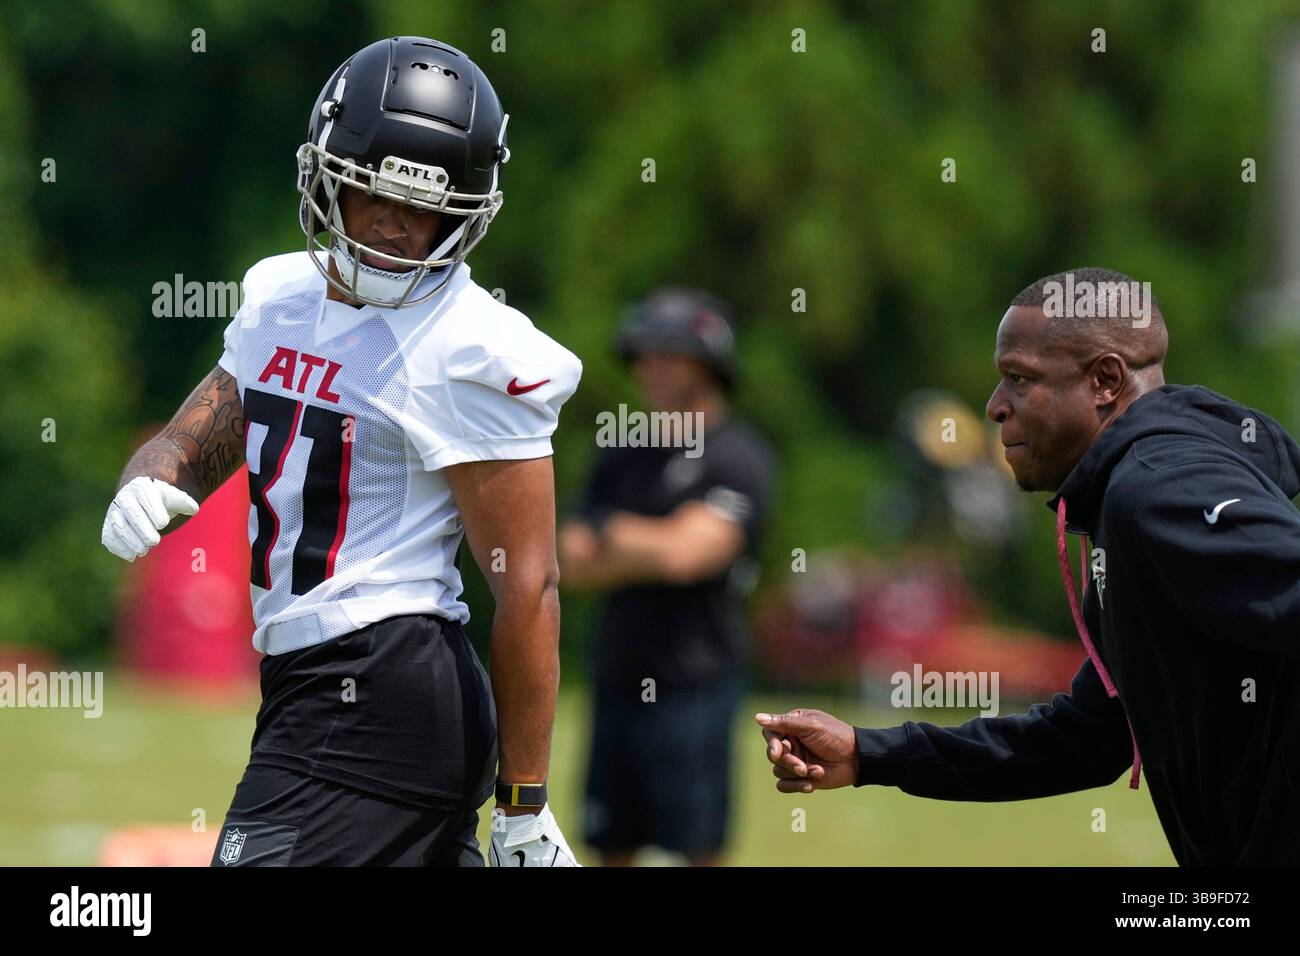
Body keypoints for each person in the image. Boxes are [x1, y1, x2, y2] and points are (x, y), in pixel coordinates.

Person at [100, 36, 583, 867]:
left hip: (378, 681)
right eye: (372, 196)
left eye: (423, 209)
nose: (395, 227)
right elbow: (196, 435)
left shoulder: (473, 348)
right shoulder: (275, 296)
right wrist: (152, 475)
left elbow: (528, 586)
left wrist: (525, 806)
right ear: (328, 176)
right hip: (309, 684)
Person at [756, 267, 1300, 866]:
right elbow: (1088, 737)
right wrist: (868, 753)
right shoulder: (1131, 499)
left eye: (1019, 379)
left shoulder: (1158, 490)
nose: (994, 408)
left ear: (1104, 380)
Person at [560, 288, 776, 865]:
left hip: (695, 682)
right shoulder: (619, 452)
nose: (649, 367)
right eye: (643, 354)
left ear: (708, 363)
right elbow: (572, 560)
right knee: (609, 843)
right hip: (617, 674)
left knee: (697, 846)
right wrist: (651, 540)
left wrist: (614, 533)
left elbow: (689, 556)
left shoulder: (738, 455)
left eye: (668, 353)